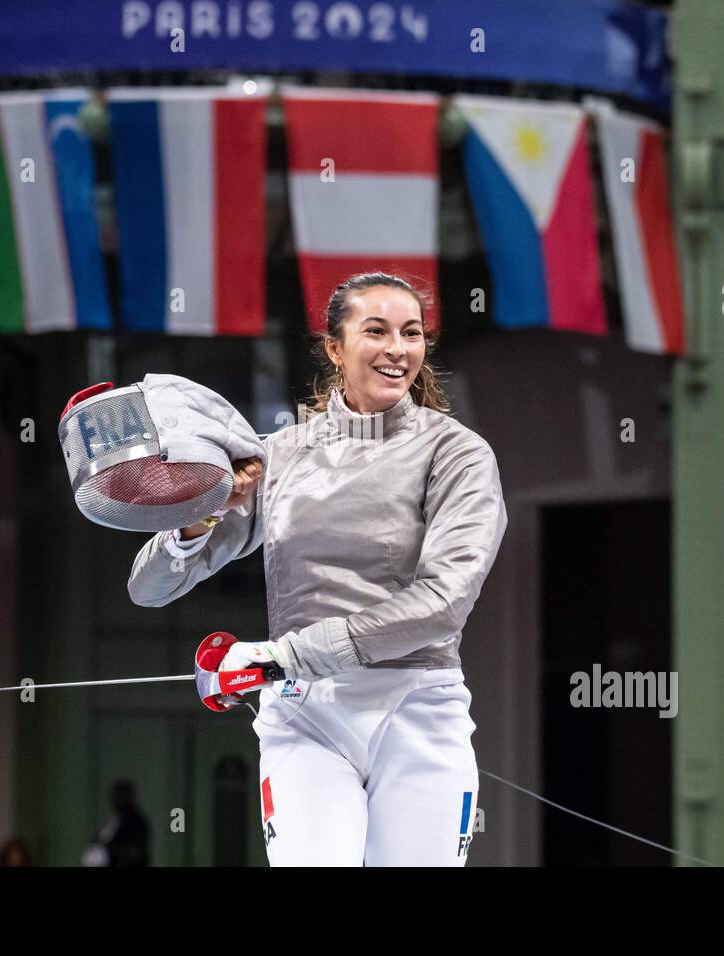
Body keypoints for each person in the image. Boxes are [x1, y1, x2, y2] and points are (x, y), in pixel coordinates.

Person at [129, 272, 508, 866]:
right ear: (335, 348)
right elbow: (149, 589)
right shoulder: (279, 456)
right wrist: (199, 517)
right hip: (305, 712)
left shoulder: (456, 453)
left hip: (418, 707)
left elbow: (445, 602)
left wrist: (287, 654)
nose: (397, 348)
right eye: (376, 331)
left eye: (411, 333)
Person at [81, 780, 150, 867]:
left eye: (118, 795)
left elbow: (135, 853)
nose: (113, 799)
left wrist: (108, 847)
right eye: (113, 795)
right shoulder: (115, 819)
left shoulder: (136, 821)